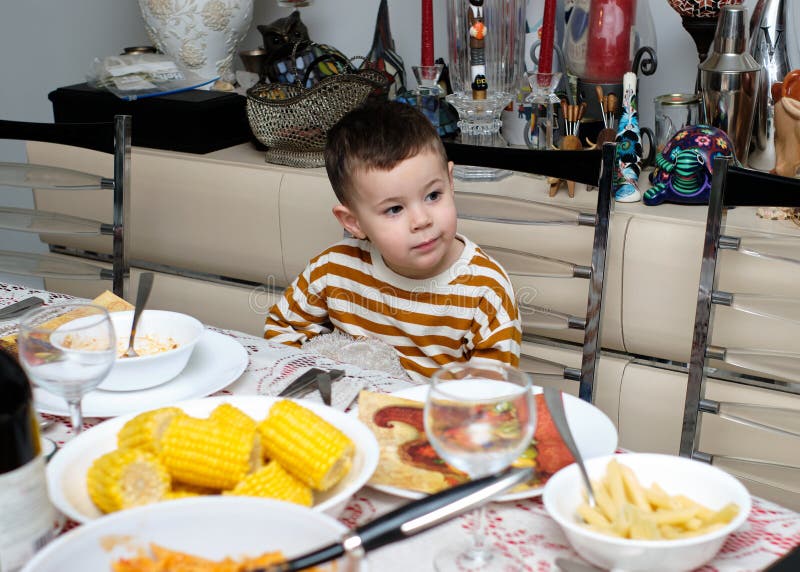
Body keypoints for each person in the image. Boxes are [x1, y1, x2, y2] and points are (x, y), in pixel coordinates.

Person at [264, 101, 521, 382]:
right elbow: (281, 331)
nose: (422, 220)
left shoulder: (486, 291)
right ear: (354, 223)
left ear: (450, 181)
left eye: (433, 195)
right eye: (394, 209)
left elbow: (493, 396)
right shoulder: (332, 270)